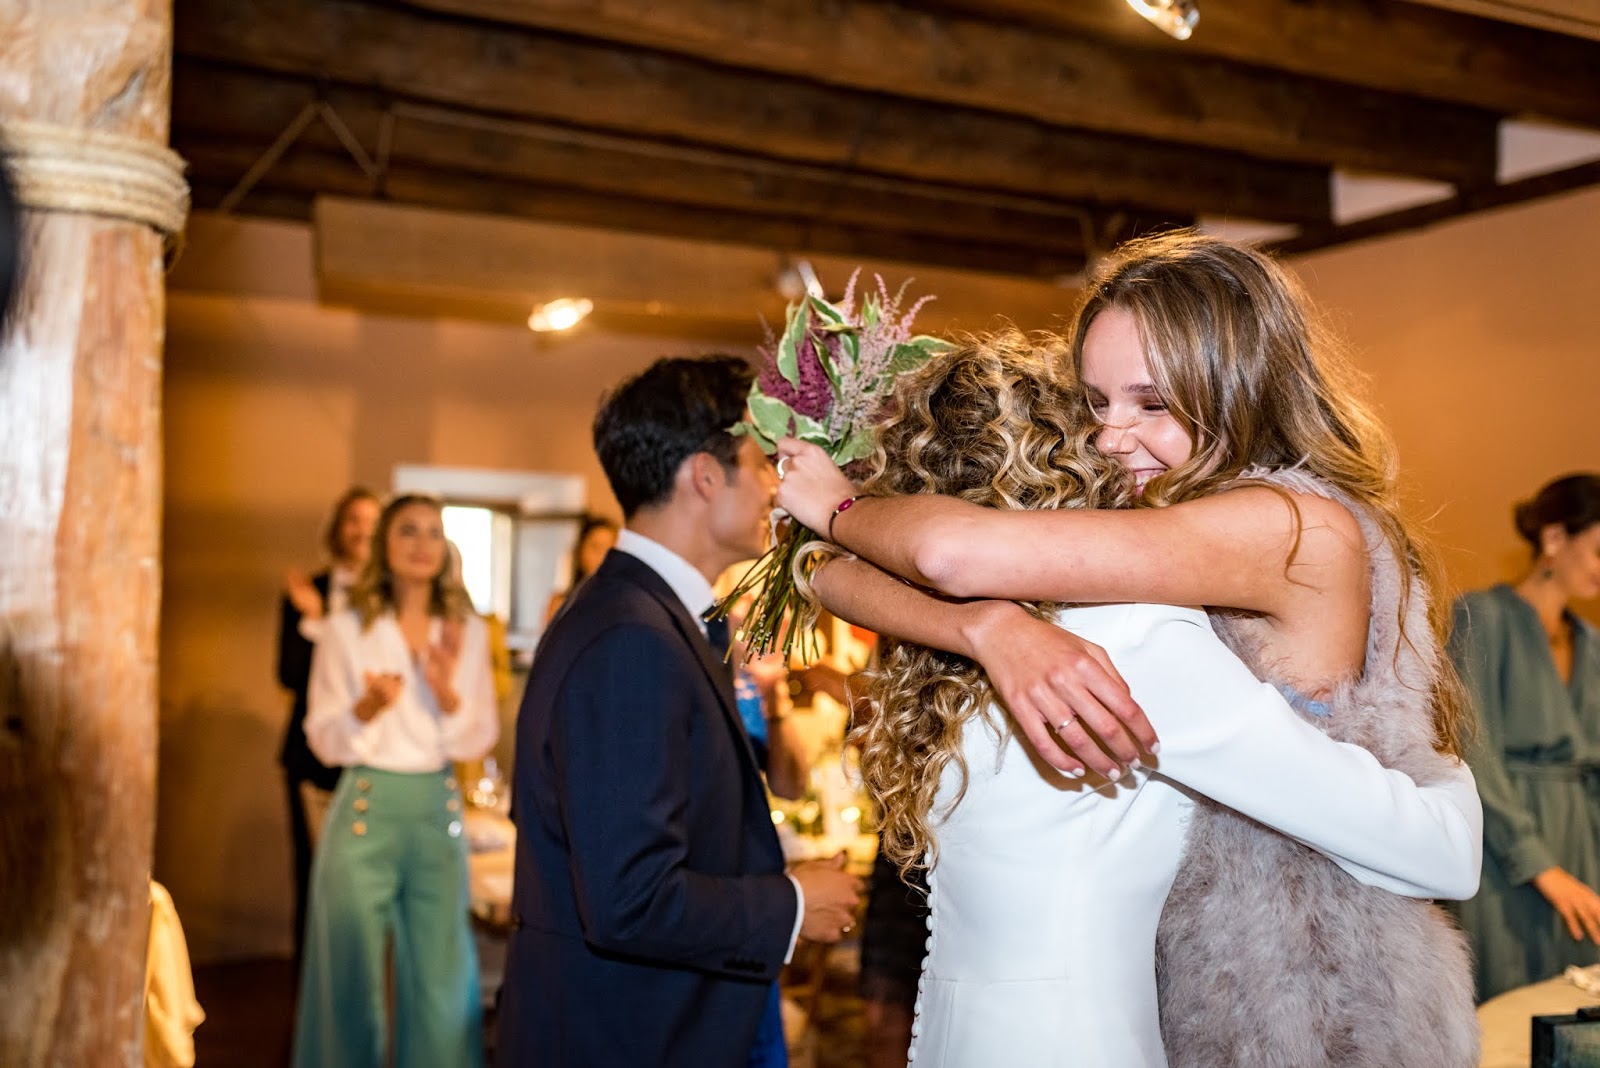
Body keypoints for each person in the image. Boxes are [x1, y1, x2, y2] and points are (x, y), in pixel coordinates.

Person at [775, 233, 1481, 1065]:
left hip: (1312, 985)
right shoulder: (1157, 559)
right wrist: (984, 629)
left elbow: (945, 557)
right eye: (1095, 403)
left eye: (1152, 403)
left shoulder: (1280, 522)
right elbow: (834, 575)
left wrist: (843, 507)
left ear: (1240, 385)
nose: (1112, 438)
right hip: (1203, 971)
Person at [496, 356, 862, 1068]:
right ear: (704, 475)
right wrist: (788, 905)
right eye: (761, 463)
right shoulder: (632, 638)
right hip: (626, 1037)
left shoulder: (651, 617)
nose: (774, 489)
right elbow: (628, 896)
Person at [292, 493, 500, 1068]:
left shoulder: (468, 632)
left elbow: (477, 738)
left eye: (433, 532)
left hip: (437, 807)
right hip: (364, 807)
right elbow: (321, 739)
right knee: (348, 979)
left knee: (444, 981)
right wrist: (363, 708)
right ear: (385, 542)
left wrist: (444, 688)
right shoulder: (344, 629)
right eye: (408, 530)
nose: (421, 543)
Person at [1450, 473, 1600, 1002]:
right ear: (1554, 539)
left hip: (1581, 845)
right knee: (1506, 1007)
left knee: (1575, 1012)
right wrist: (1540, 865)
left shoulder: (1593, 642)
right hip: (1503, 849)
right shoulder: (1481, 617)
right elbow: (1472, 749)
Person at [274, 485, 379, 963]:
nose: (361, 530)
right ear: (337, 528)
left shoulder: (387, 600)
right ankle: (311, 985)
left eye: (371, 521)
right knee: (314, 873)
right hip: (311, 758)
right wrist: (313, 622)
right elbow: (289, 674)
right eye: (353, 519)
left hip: (374, 755)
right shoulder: (309, 592)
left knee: (365, 880)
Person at [544, 513, 618, 623]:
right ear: (580, 552)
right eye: (596, 548)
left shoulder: (625, 603)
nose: (602, 557)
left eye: (610, 550)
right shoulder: (561, 604)